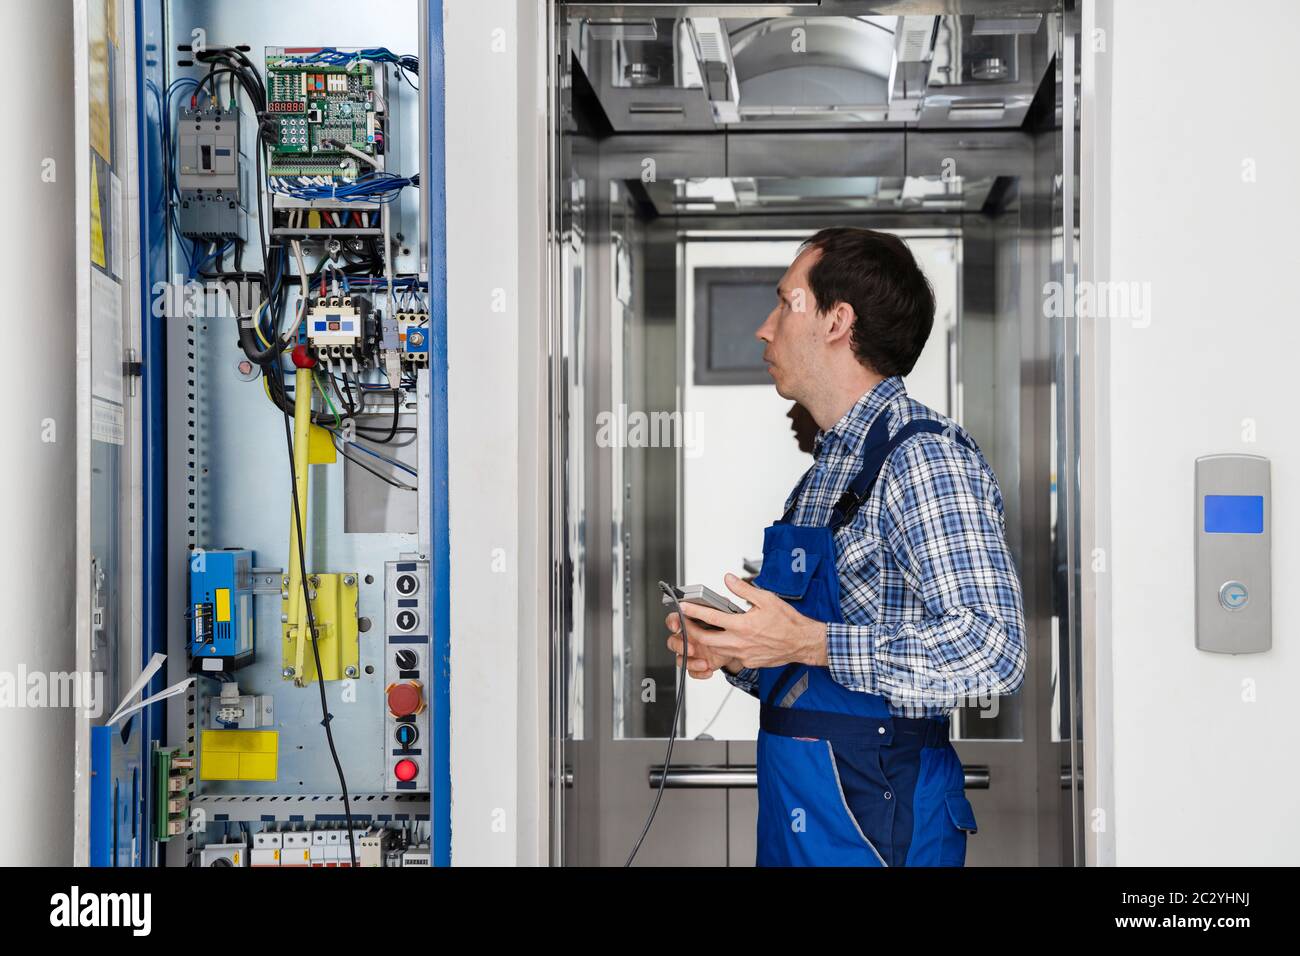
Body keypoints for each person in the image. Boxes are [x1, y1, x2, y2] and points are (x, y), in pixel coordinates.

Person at [665, 227, 1026, 867]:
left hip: (881, 819)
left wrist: (808, 641)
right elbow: (806, 671)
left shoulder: (923, 459)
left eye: (786, 303)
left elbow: (992, 650)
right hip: (797, 814)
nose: (764, 328)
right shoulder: (822, 477)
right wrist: (736, 650)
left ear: (837, 321)